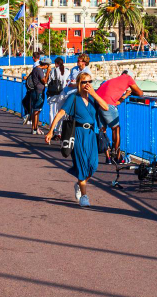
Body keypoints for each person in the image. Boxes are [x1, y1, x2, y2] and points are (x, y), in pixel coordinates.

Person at [44, 69, 109, 207]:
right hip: (78, 133)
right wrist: (51, 131)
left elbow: (106, 107)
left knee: (93, 165)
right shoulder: (73, 98)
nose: (87, 84)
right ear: (79, 83)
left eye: (90, 81)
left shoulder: (93, 98)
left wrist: (94, 94)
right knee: (82, 164)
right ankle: (84, 196)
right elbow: (60, 113)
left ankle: (79, 183)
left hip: (91, 134)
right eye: (84, 82)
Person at [95, 70, 144, 161]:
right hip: (108, 104)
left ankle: (108, 157)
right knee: (116, 129)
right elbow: (140, 93)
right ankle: (117, 156)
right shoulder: (128, 78)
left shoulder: (114, 80)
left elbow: (116, 101)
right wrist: (133, 91)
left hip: (98, 103)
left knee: (103, 130)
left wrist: (125, 95)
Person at [24, 56, 50, 134]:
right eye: (47, 66)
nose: (47, 68)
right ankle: (35, 129)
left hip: (34, 91)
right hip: (39, 92)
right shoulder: (40, 70)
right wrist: (48, 72)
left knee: (34, 109)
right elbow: (44, 81)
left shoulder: (35, 68)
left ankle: (33, 128)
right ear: (45, 65)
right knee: (37, 110)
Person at [46, 56, 69, 129]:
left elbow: (49, 82)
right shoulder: (67, 71)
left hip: (53, 94)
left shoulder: (53, 71)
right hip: (63, 93)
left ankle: (52, 128)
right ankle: (59, 130)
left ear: (56, 63)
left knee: (52, 112)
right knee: (60, 112)